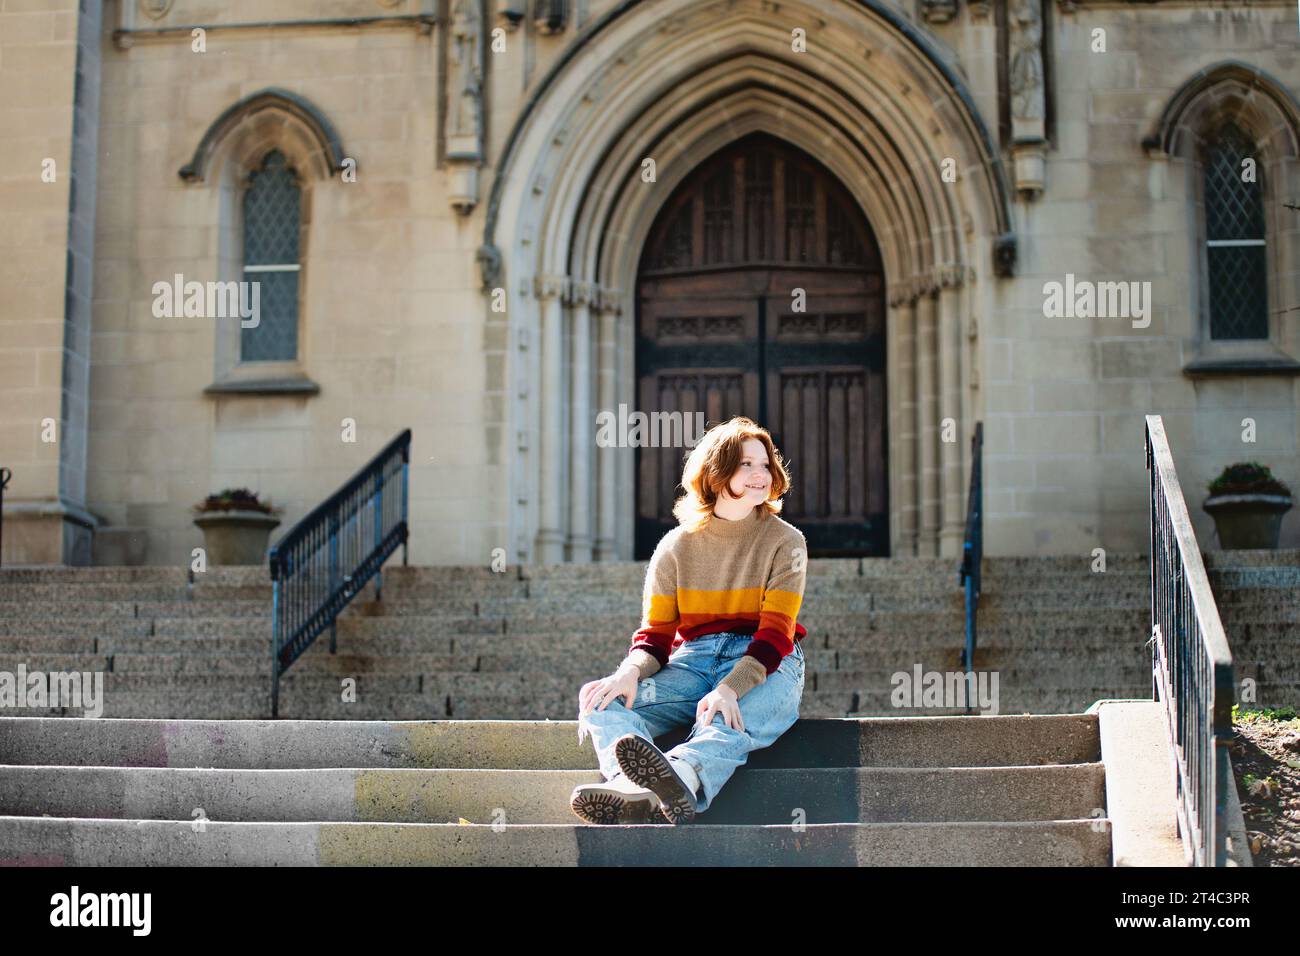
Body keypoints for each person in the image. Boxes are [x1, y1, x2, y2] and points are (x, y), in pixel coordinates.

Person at [572, 416, 808, 825]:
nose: (761, 475)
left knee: (726, 718)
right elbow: (656, 637)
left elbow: (774, 636)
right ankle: (630, 786)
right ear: (717, 474)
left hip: (766, 663)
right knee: (602, 702)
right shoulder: (675, 547)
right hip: (693, 660)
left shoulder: (786, 541)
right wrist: (628, 673)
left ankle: (680, 774)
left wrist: (730, 689)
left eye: (766, 465)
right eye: (746, 465)